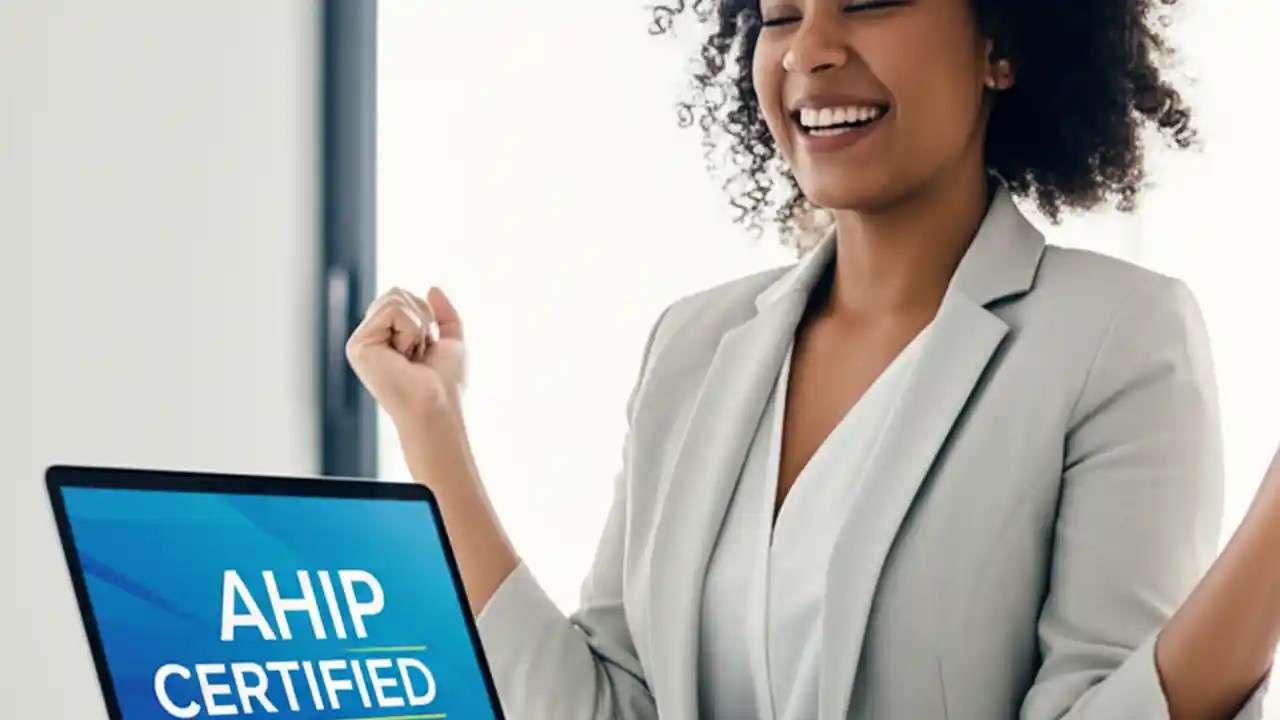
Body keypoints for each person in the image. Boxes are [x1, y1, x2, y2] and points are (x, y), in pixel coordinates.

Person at [346, 0, 1280, 717]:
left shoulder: (1116, 335)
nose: (808, 49)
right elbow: (607, 704)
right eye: (779, 14)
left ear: (1000, 42)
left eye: (869, 2)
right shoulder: (692, 346)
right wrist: (431, 431)